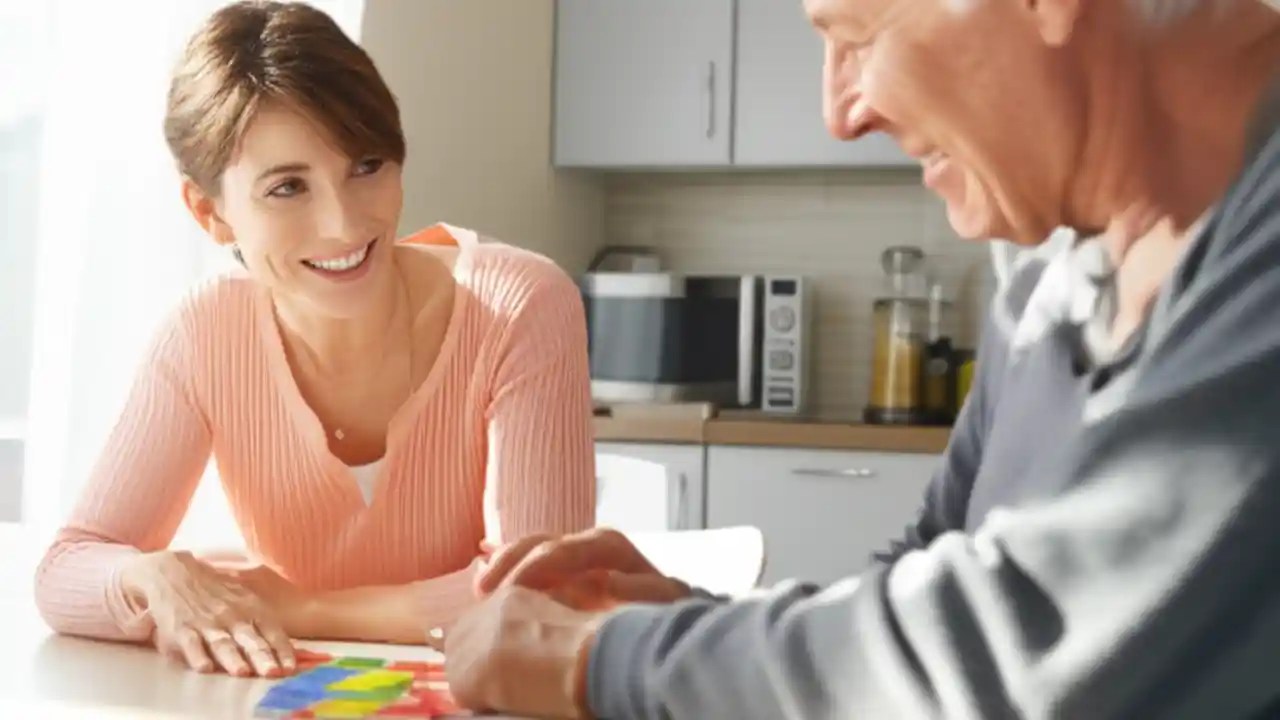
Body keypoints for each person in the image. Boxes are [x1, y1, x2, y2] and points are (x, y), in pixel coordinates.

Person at [442, 0, 1280, 717]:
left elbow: (1036, 655)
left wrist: (608, 660)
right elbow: (927, 596)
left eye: (857, 34)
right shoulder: (1046, 281)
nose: (842, 114)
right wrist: (693, 621)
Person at [32, 0, 595, 679]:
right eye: (287, 187)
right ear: (210, 213)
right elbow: (66, 571)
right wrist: (154, 576)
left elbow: (542, 595)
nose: (344, 224)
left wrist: (305, 608)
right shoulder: (206, 334)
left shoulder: (521, 306)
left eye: (366, 165)